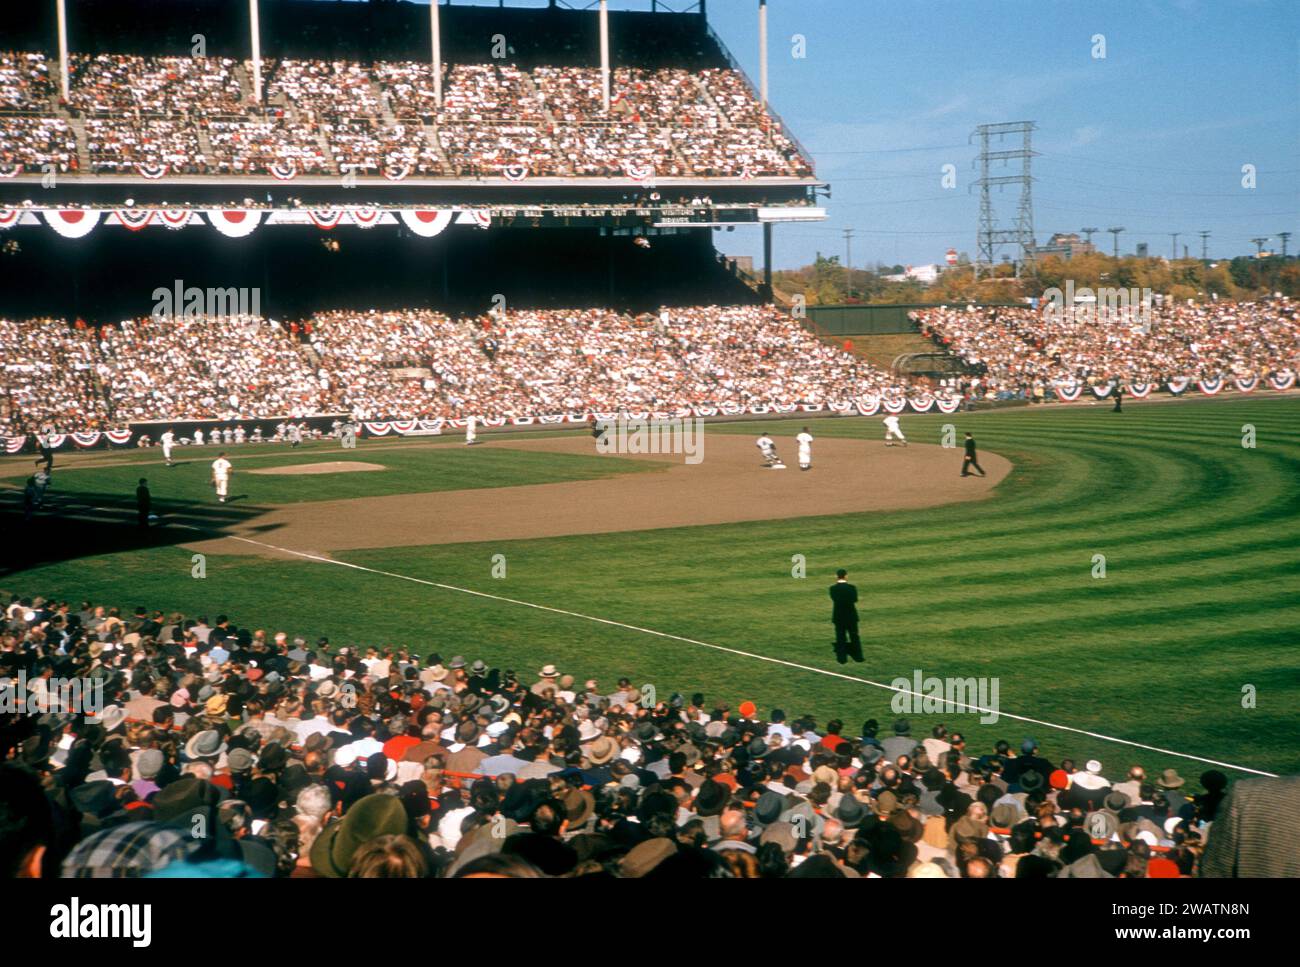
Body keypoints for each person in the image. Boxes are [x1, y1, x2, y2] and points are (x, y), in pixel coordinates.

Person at [828, 569, 863, 665]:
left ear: (837, 576)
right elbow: (855, 600)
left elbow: (834, 599)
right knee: (854, 636)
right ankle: (858, 656)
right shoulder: (852, 588)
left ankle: (842, 658)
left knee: (840, 637)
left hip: (839, 616)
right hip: (851, 616)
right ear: (846, 576)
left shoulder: (832, 588)